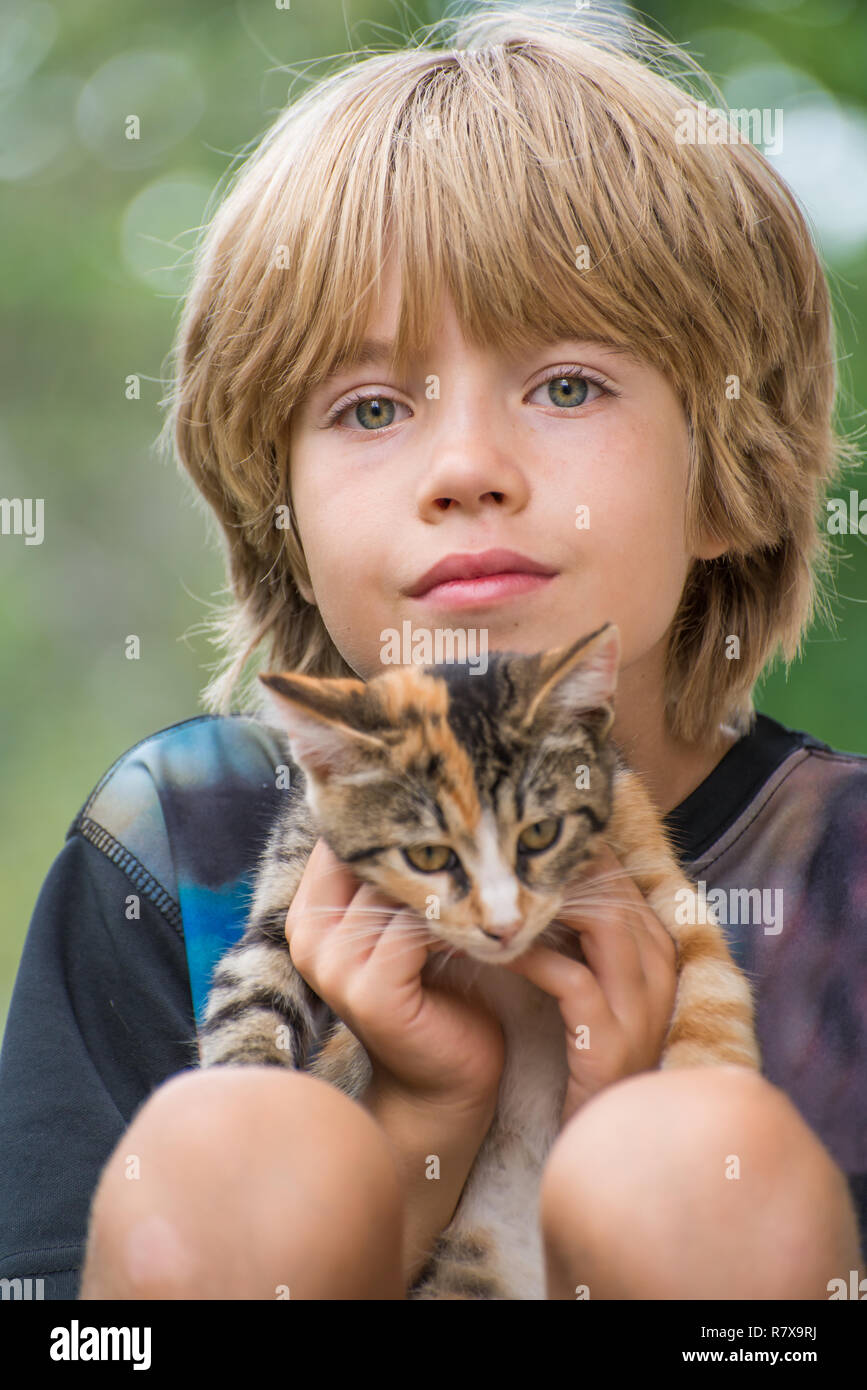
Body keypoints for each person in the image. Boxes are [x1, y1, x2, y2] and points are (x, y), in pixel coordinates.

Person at [1, 1, 864, 1301]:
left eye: (566, 384)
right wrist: (426, 1122)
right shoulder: (182, 840)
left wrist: (632, 1127)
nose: (464, 469)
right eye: (369, 406)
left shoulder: (841, 874)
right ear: (280, 520)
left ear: (727, 480)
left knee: (690, 1160)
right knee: (230, 1146)